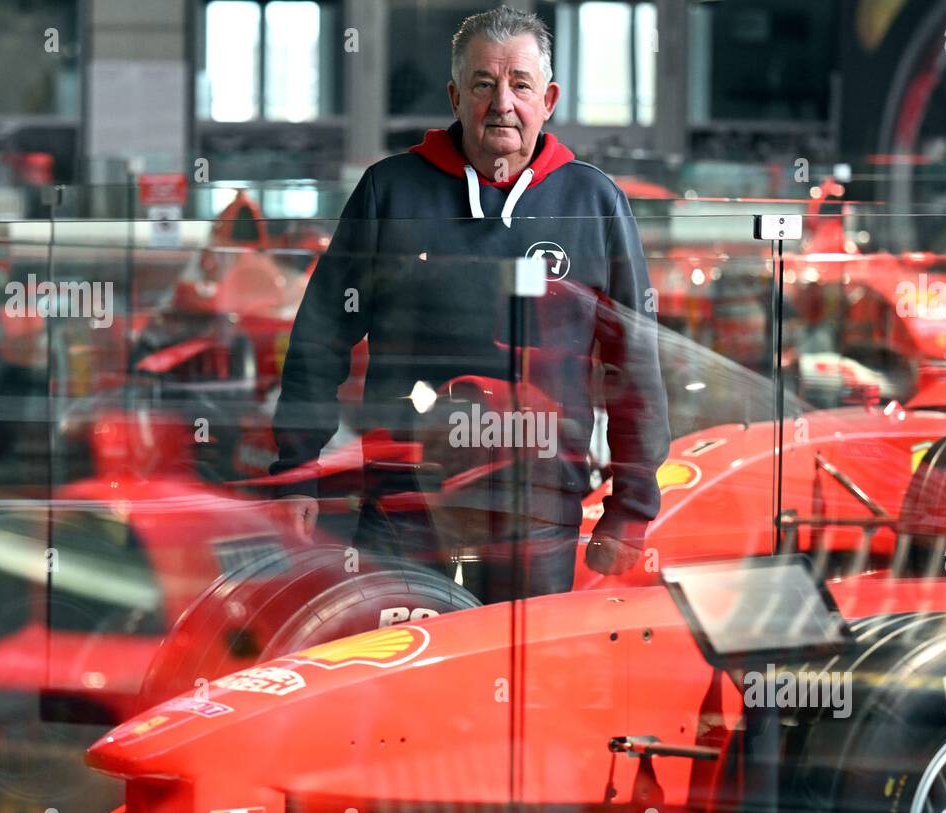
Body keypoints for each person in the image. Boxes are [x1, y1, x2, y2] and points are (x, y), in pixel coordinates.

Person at [270, 6, 668, 602]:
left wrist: (631, 506)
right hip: (406, 501)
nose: (501, 102)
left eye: (520, 85)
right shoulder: (389, 190)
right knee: (397, 678)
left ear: (549, 99)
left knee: (521, 684)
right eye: (484, 84)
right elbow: (321, 334)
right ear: (456, 96)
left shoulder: (596, 202)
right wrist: (297, 472)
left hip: (538, 506)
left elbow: (633, 362)